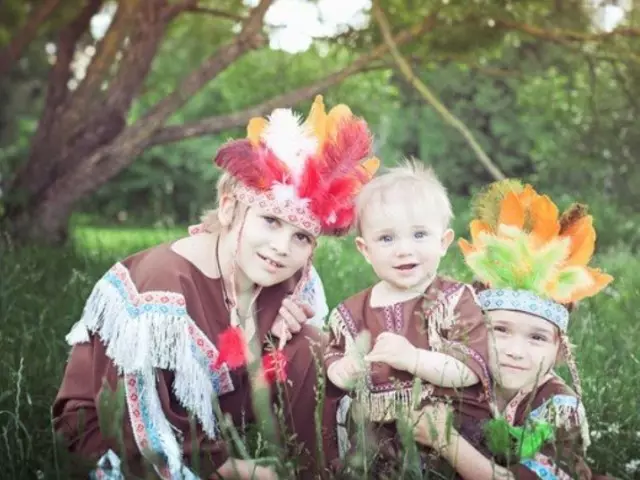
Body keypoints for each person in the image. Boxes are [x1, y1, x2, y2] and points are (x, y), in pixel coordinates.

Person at [53, 95, 380, 480]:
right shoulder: (164, 285)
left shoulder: (282, 272)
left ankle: (321, 465)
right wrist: (229, 467)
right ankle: (206, 463)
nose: (281, 247)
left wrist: (276, 339)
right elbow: (137, 401)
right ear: (228, 208)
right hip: (120, 420)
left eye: (302, 237)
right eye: (271, 221)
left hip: (210, 410)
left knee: (307, 343)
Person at [410, 179, 614, 479]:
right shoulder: (455, 375)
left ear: (559, 348)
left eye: (537, 337)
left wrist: (446, 441)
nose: (515, 351)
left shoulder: (558, 407)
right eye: (500, 330)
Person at [323, 161, 493, 476]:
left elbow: (469, 370)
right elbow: (332, 354)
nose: (404, 250)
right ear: (364, 249)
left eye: (419, 235)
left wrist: (412, 358)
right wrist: (341, 370)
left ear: (443, 242)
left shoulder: (455, 300)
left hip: (451, 433)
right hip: (379, 442)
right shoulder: (351, 312)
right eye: (387, 239)